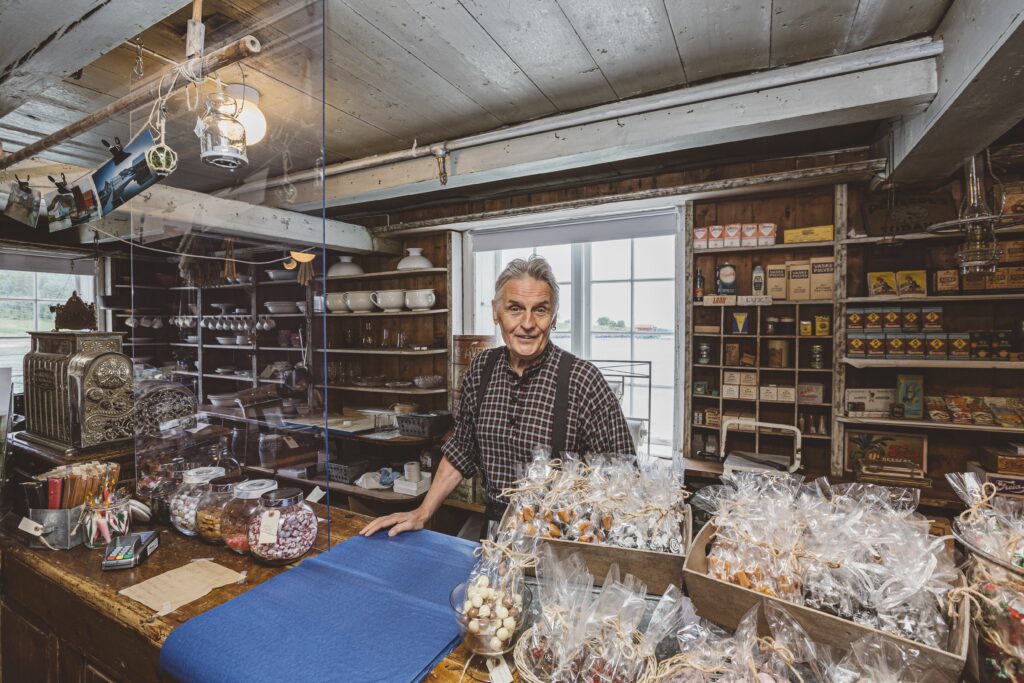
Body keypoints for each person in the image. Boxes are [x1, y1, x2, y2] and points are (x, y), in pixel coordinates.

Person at [361, 255, 635, 538]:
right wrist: (423, 511)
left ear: (553, 317)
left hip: (561, 538)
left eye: (540, 310)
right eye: (515, 308)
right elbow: (462, 450)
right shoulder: (481, 369)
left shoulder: (583, 380)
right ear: (496, 312)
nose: (527, 323)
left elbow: (624, 477)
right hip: (495, 530)